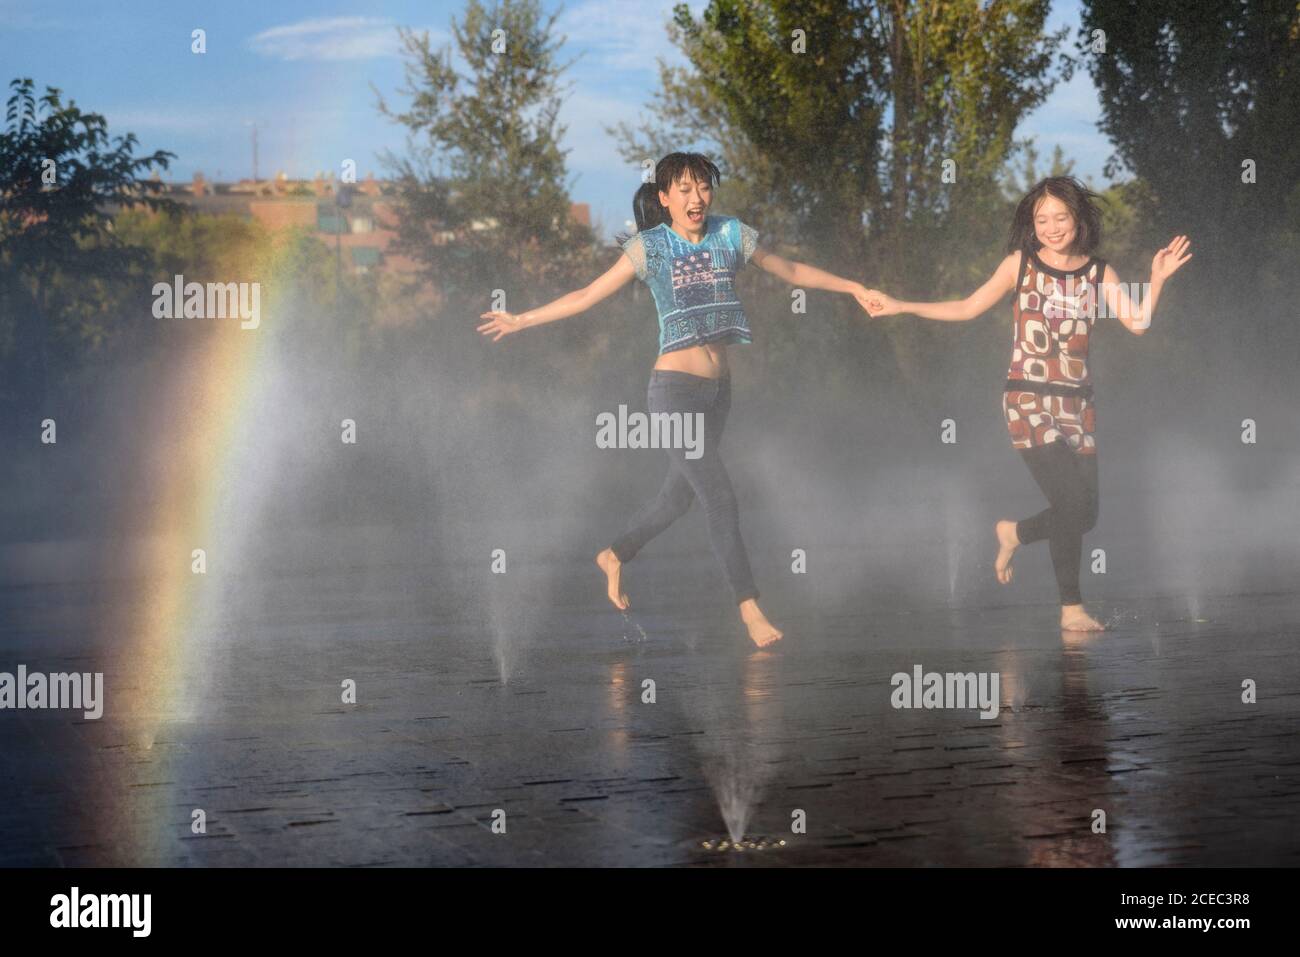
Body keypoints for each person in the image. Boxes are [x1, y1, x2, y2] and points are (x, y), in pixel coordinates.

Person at [479, 152, 878, 646]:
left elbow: (792, 270)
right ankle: (750, 608)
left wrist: (855, 287)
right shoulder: (650, 248)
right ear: (664, 198)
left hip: (718, 392)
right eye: (683, 190)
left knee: (678, 496)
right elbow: (585, 295)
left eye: (703, 187)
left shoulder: (731, 234)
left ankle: (616, 553)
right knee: (719, 496)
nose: (696, 198)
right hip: (672, 394)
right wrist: (521, 319)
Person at [865, 176, 1191, 631]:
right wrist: (901, 305)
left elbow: (1137, 323)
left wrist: (1155, 280)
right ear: (1031, 224)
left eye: (1061, 217)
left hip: (1079, 405)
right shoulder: (1019, 265)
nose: (1052, 227)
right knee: (1072, 503)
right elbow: (967, 307)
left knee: (1086, 515)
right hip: (1027, 400)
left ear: (1078, 219)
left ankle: (1013, 533)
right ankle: (1071, 609)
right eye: (1042, 219)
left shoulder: (1099, 273)